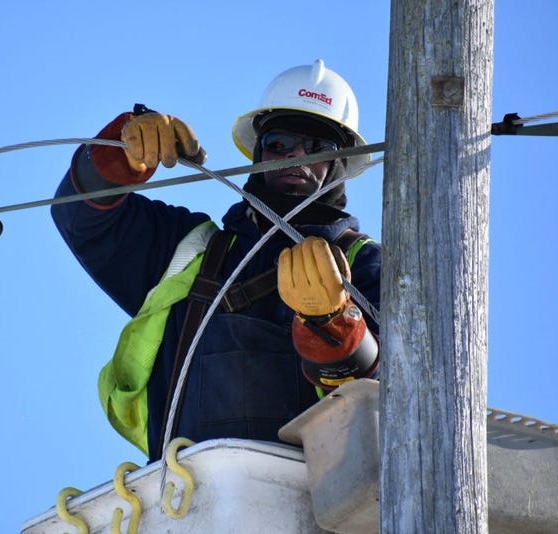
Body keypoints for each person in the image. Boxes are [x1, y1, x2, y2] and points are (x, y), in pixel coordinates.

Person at [51, 59, 381, 461]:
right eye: (279, 143)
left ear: (341, 162)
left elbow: (400, 403)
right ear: (259, 152)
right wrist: (118, 154)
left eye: (317, 148)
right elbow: (79, 217)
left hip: (311, 503)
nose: (296, 157)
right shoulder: (190, 250)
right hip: (188, 497)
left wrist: (334, 331)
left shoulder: (366, 267)